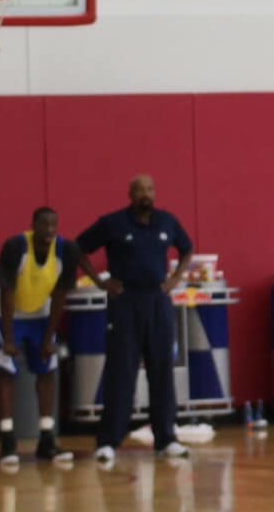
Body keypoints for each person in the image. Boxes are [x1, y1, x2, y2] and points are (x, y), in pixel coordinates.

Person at [74, 176, 195, 468]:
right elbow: (78, 247)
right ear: (130, 194)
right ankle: (108, 441)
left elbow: (187, 248)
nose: (146, 194)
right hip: (125, 301)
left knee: (162, 369)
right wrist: (99, 281)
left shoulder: (167, 221)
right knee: (121, 370)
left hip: (158, 300)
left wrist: (176, 278)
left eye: (151, 189)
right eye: (140, 189)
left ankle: (166, 438)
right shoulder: (114, 223)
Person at [0, 206, 74, 467]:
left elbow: (60, 296)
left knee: (47, 366)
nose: (49, 230)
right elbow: (7, 291)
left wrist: (49, 338)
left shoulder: (65, 250)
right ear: (33, 225)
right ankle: (7, 440)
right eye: (44, 225)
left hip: (40, 310)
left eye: (54, 225)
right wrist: (9, 339)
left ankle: (47, 439)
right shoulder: (16, 246)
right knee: (6, 367)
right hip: (6, 310)